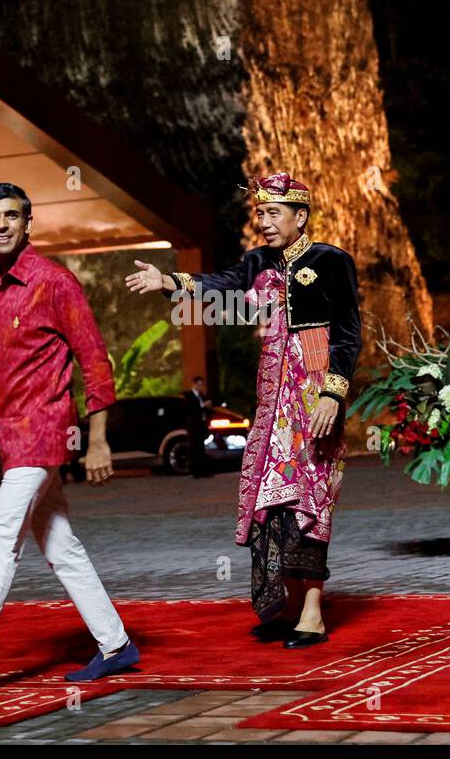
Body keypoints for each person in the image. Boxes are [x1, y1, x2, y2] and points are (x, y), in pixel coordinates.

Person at [0, 182, 140, 700]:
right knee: (61, 545)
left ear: (27, 223)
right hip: (10, 440)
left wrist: (99, 439)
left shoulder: (55, 283)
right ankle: (116, 644)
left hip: (46, 432)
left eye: (11, 216)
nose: (1, 224)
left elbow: (94, 359)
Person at [125, 172, 361, 648]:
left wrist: (333, 395)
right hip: (273, 394)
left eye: (275, 213)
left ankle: (312, 611)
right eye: (260, 214)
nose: (266, 222)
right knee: (270, 502)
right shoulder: (258, 261)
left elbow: (348, 333)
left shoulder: (332, 261)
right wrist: (166, 280)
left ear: (301, 216)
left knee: (309, 500)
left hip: (315, 390)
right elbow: (221, 284)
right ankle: (285, 605)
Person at [184, 375, 214, 478]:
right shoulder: (188, 395)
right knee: (193, 448)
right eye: (198, 385)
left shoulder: (202, 396)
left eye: (201, 385)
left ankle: (203, 471)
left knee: (201, 448)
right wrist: (202, 406)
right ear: (194, 384)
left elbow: (206, 409)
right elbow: (190, 408)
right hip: (193, 426)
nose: (200, 387)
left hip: (201, 425)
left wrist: (208, 407)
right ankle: (194, 471)